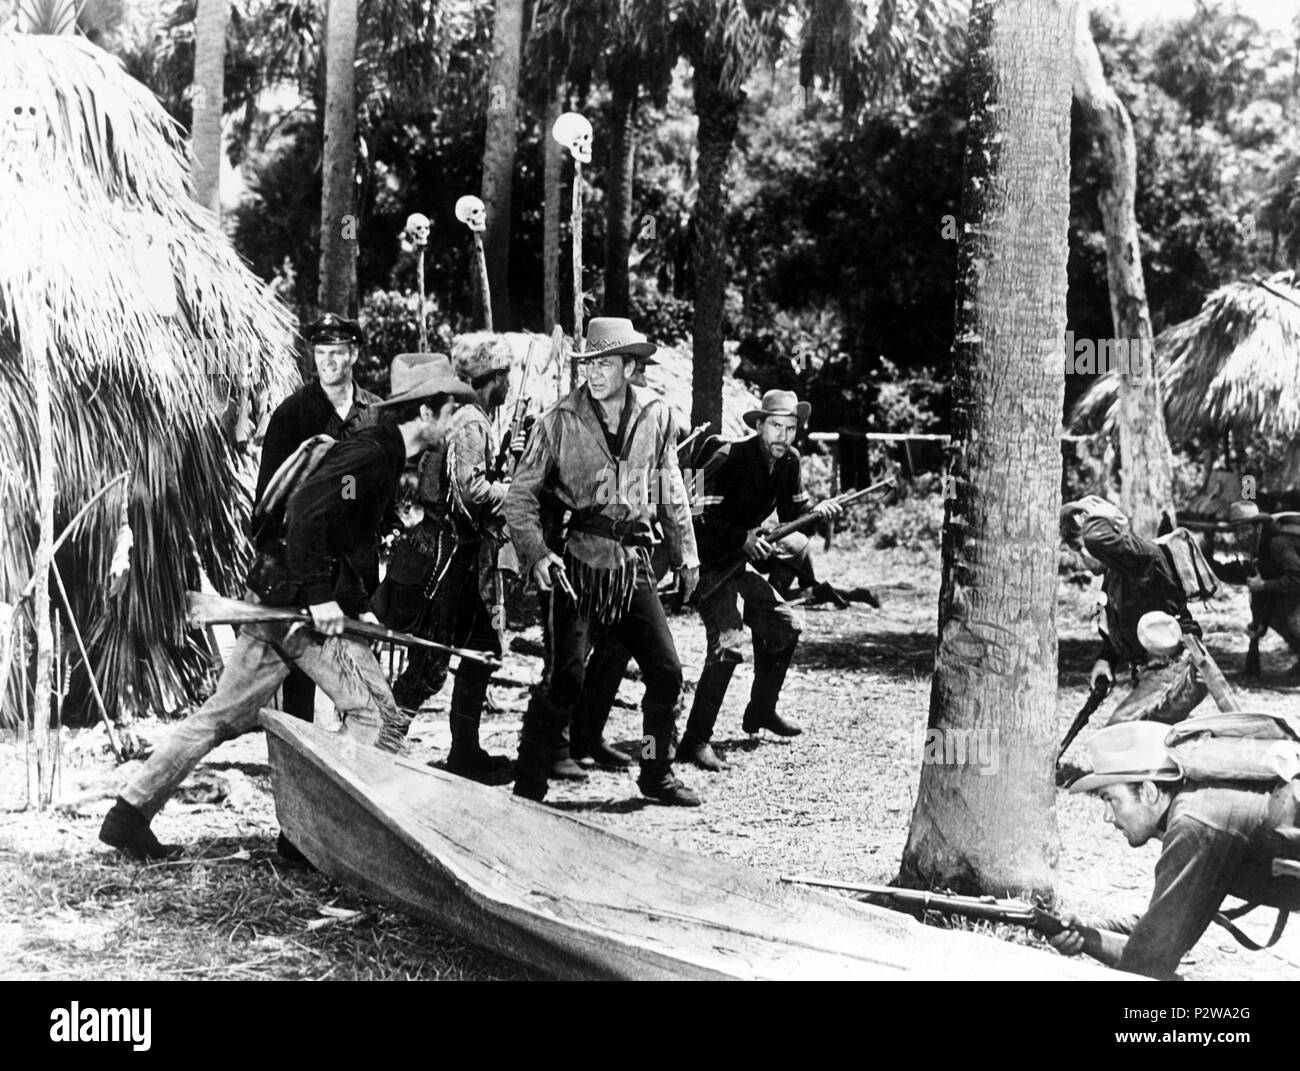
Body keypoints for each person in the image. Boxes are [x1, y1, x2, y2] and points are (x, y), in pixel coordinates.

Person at [98, 356, 473, 861]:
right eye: (450, 410)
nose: (455, 422)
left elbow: (343, 533)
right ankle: (326, 837)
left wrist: (359, 609)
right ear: (426, 411)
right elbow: (307, 512)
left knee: (223, 715)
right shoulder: (370, 458)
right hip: (297, 608)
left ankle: (128, 814)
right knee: (377, 716)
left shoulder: (377, 457)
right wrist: (320, 597)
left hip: (276, 597)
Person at [504, 317, 700, 805]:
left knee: (666, 672)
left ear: (631, 367)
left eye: (606, 363)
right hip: (575, 565)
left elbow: (670, 486)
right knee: (565, 678)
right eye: (589, 362)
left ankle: (656, 773)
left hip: (632, 564)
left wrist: (686, 554)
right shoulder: (558, 421)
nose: (594, 372)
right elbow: (519, 500)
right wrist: (538, 554)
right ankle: (528, 787)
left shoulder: (656, 415)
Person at [1048, 721, 1300, 979]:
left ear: (1148, 792)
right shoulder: (1201, 804)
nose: (1107, 816)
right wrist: (1089, 931)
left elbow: (1148, 961)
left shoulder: (1194, 824)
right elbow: (1163, 923)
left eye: (1110, 799)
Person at [373, 336, 516, 782]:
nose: (508, 384)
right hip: (452, 558)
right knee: (431, 660)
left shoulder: (473, 419)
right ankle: (382, 750)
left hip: (467, 556)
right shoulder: (471, 423)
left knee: (480, 653)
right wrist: (514, 494)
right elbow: (470, 492)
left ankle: (465, 752)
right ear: (492, 380)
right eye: (503, 376)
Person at [677, 390, 841, 772]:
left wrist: (818, 511)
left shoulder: (789, 462)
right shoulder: (727, 457)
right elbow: (694, 519)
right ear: (758, 425)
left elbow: (795, 512)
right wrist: (743, 538)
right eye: (775, 427)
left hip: (741, 565)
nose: (783, 436)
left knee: (785, 626)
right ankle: (694, 740)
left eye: (790, 429)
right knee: (729, 645)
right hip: (710, 566)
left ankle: (761, 711)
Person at [254, 313, 380, 723]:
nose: (328, 361)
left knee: (359, 658)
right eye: (321, 353)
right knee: (302, 665)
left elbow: (373, 485)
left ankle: (358, 751)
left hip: (358, 556)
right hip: (306, 556)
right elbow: (268, 495)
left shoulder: (374, 413)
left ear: (354, 354)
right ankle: (301, 746)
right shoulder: (294, 414)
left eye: (337, 353)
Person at [1059, 495, 1208, 725]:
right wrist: (1105, 660)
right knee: (1138, 743)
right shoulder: (1111, 580)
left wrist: (1098, 516)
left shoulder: (1141, 557)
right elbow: (1109, 627)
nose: (1084, 556)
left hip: (1179, 668)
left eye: (1083, 547)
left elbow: (1097, 538)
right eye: (1079, 550)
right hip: (1153, 675)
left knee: (1120, 733)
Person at [1230, 502, 1300, 679]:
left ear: (1257, 527)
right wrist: (1261, 622)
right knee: (1278, 617)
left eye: (1245, 530)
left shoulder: (1278, 544)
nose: (1241, 536)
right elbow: (1269, 592)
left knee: (1294, 621)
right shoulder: (1260, 548)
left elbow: (1296, 579)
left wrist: (1262, 585)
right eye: (1237, 531)